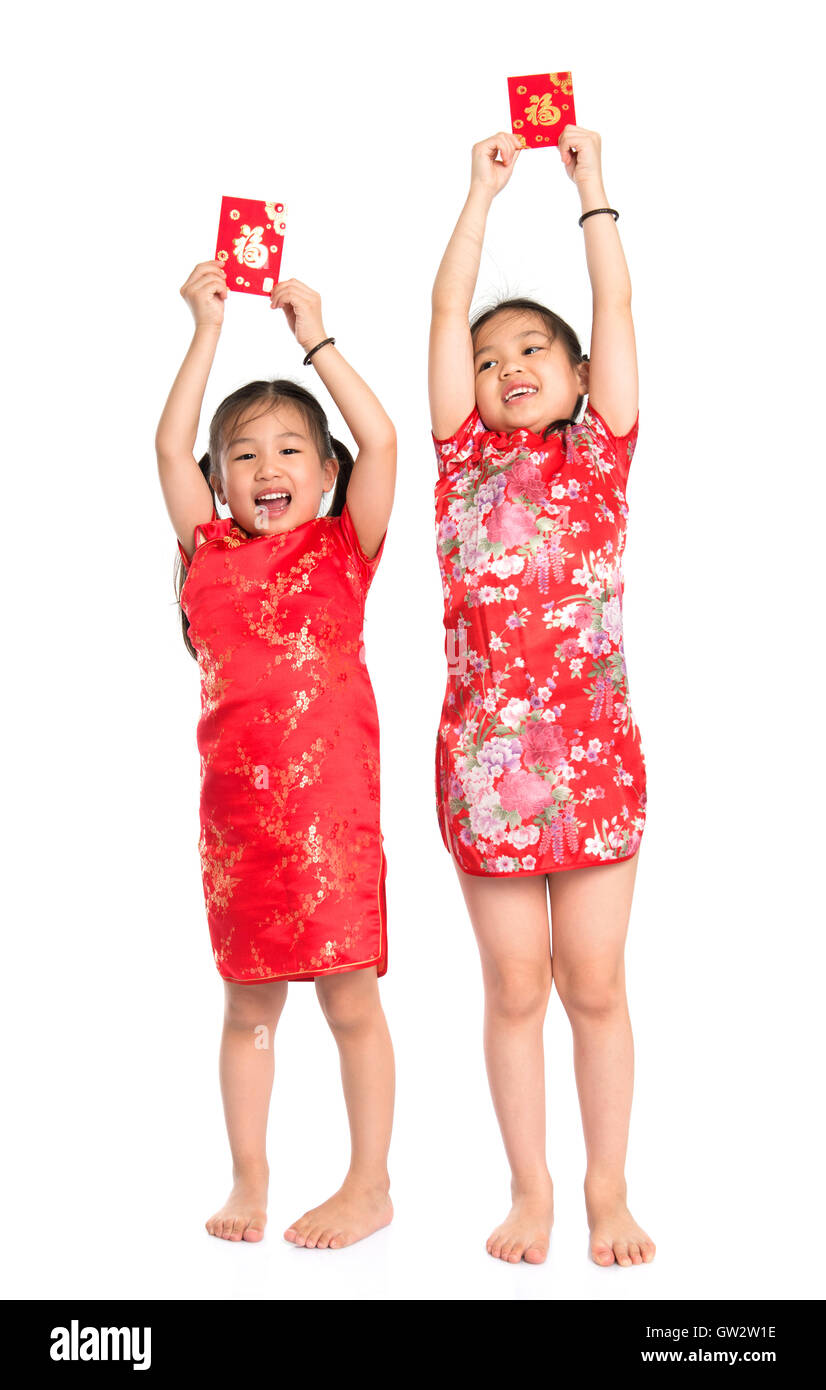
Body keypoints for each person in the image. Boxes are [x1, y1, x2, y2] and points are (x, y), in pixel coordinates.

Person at [429, 127, 655, 1267]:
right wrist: (479, 197)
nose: (507, 360)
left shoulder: (600, 455)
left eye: (532, 347)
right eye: (487, 355)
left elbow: (613, 308)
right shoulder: (459, 458)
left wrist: (590, 193)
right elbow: (440, 317)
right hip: (487, 770)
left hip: (596, 758)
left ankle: (608, 1189)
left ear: (572, 380)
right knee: (516, 985)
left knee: (594, 982)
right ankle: (532, 1190)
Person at [156, 264, 396, 1248]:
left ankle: (369, 1182)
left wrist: (316, 338)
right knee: (250, 1011)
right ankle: (248, 1177)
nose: (267, 465)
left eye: (290, 448)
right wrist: (203, 326)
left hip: (332, 825)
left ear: (324, 471)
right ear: (218, 482)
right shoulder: (203, 552)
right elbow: (169, 441)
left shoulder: (347, 546)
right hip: (241, 832)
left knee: (348, 1003)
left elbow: (380, 436)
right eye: (244, 453)